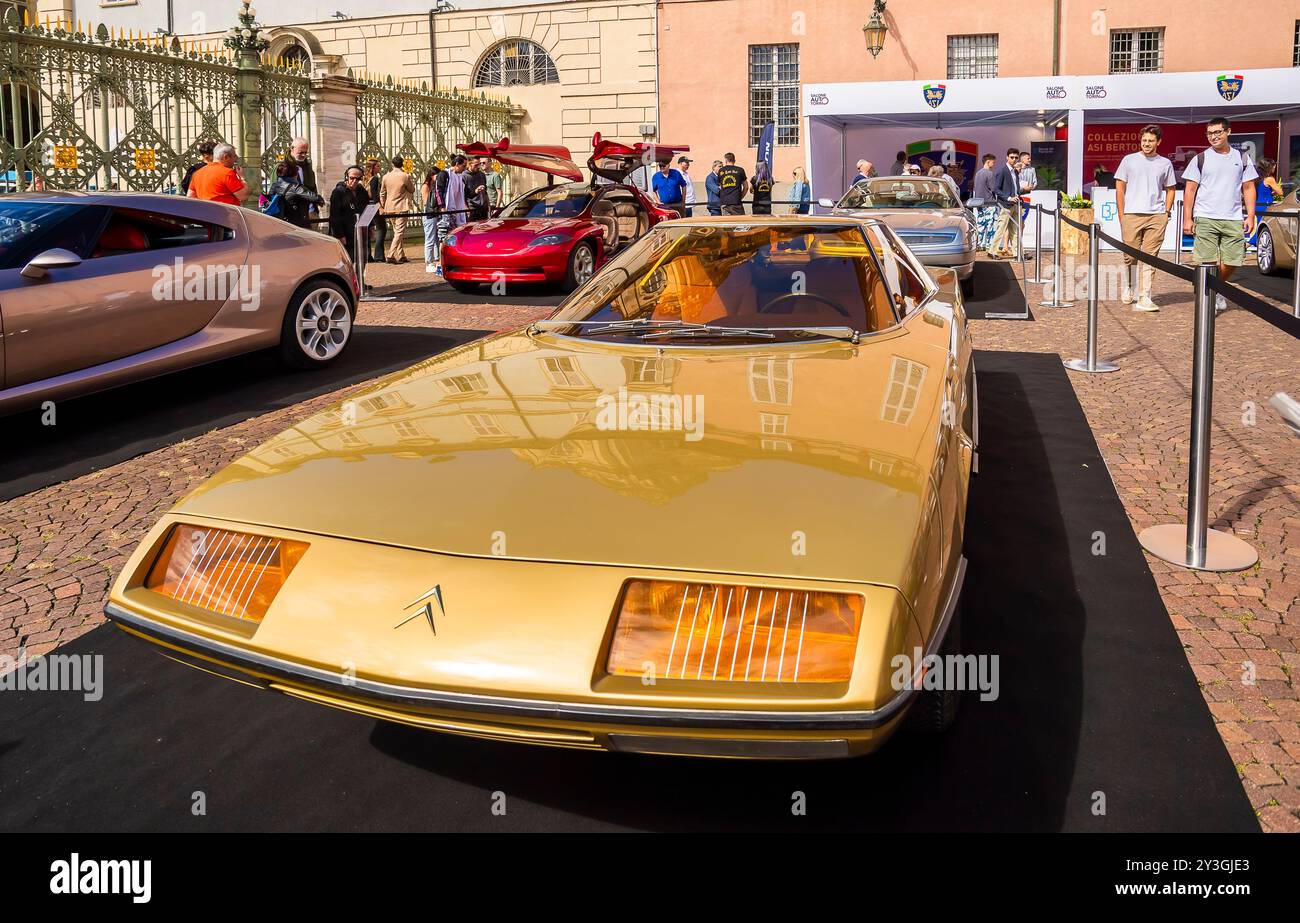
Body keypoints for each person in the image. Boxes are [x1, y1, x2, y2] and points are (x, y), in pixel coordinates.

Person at [1182, 115, 1258, 312]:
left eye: (1217, 132)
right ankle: (1210, 298)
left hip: (1233, 217)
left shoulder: (1242, 158)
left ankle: (1214, 287)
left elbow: (1248, 187)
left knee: (1234, 260)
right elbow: (1190, 189)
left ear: (1228, 132)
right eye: (1209, 133)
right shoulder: (1201, 158)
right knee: (1206, 261)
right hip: (1205, 216)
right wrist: (1188, 218)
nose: (1213, 137)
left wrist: (1250, 215)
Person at [1114, 124, 1176, 312]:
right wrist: (1122, 214)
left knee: (1151, 258)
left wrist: (1166, 212)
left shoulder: (1165, 163)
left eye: (1150, 140)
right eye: (1144, 140)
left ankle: (1145, 296)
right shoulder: (1129, 160)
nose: (1147, 144)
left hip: (1156, 216)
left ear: (1158, 142)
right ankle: (1130, 286)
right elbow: (1120, 187)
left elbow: (1170, 189)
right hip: (1131, 215)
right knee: (1129, 257)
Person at [329, 165, 368, 263]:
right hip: (344, 233)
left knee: (360, 260)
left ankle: (359, 278)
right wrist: (340, 235)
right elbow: (335, 215)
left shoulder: (362, 191)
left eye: (358, 179)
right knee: (346, 262)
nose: (354, 181)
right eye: (352, 178)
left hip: (358, 232)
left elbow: (365, 209)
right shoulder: (338, 192)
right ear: (346, 177)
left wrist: (370, 226)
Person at [267, 160, 324, 228]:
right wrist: (320, 200)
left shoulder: (274, 185)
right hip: (297, 224)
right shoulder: (295, 187)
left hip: (280, 223)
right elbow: (314, 197)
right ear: (294, 174)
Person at [986, 148, 1020, 259]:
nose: (1014, 159)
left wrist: (1018, 196)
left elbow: (1015, 187)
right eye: (1012, 157)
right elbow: (996, 189)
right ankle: (992, 252)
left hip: (1015, 204)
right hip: (1006, 205)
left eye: (1016, 157)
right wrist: (1009, 198)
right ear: (1007, 157)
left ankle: (1017, 253)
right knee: (1001, 229)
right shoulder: (1002, 171)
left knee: (1015, 230)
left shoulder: (1015, 171)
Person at [436, 154, 470, 237]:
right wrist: (442, 207)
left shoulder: (459, 177)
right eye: (463, 166)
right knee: (444, 237)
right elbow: (438, 191)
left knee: (455, 236)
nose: (464, 168)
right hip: (446, 211)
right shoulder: (444, 174)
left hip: (456, 212)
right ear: (457, 164)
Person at [971, 153, 999, 249]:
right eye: (993, 162)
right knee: (991, 225)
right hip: (989, 202)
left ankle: (979, 244)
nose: (994, 164)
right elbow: (994, 189)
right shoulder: (990, 174)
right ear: (988, 162)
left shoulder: (978, 173)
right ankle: (990, 245)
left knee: (980, 225)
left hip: (979, 203)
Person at [421, 164, 444, 274]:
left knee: (436, 238)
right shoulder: (426, 186)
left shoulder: (436, 185)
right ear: (431, 175)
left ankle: (435, 260)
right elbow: (427, 203)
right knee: (430, 238)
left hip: (436, 213)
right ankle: (428, 262)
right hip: (429, 214)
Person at [366, 159, 387, 262]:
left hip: (366, 206)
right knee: (381, 229)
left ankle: (368, 255)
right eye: (378, 166)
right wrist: (380, 207)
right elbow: (375, 195)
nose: (380, 168)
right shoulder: (374, 179)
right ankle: (379, 255)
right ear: (373, 168)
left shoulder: (365, 178)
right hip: (373, 206)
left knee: (367, 231)